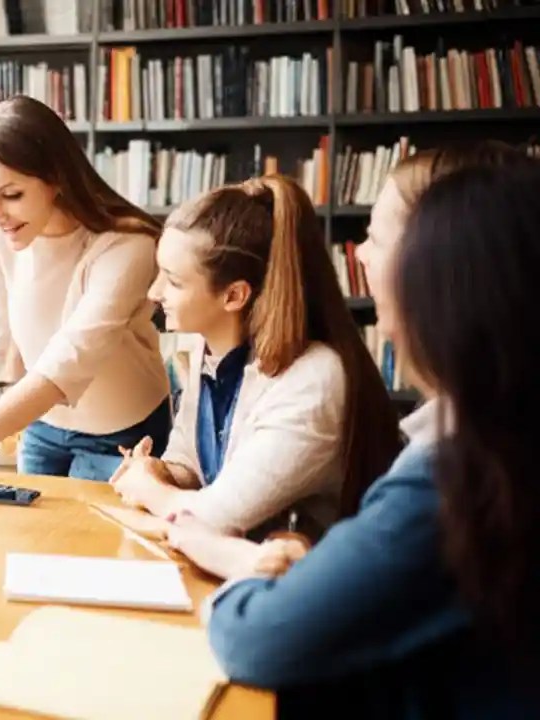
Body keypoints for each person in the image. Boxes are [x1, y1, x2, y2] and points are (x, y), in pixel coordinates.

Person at [206, 145, 540, 718]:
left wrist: (243, 579)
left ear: (444, 278)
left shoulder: (460, 475)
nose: (359, 256)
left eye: (380, 241)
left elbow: (257, 639)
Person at [0, 95, 170, 510]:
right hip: (40, 424)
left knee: (94, 556)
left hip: (122, 431)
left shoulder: (127, 246)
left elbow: (68, 362)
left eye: (12, 194)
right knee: (30, 543)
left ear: (56, 179)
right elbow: (1, 326)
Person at [108, 175, 401, 555]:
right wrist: (160, 471)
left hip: (315, 590)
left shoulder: (314, 378)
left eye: (174, 282)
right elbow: (189, 461)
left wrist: (150, 490)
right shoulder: (206, 349)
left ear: (234, 295)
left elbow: (215, 516)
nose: (154, 292)